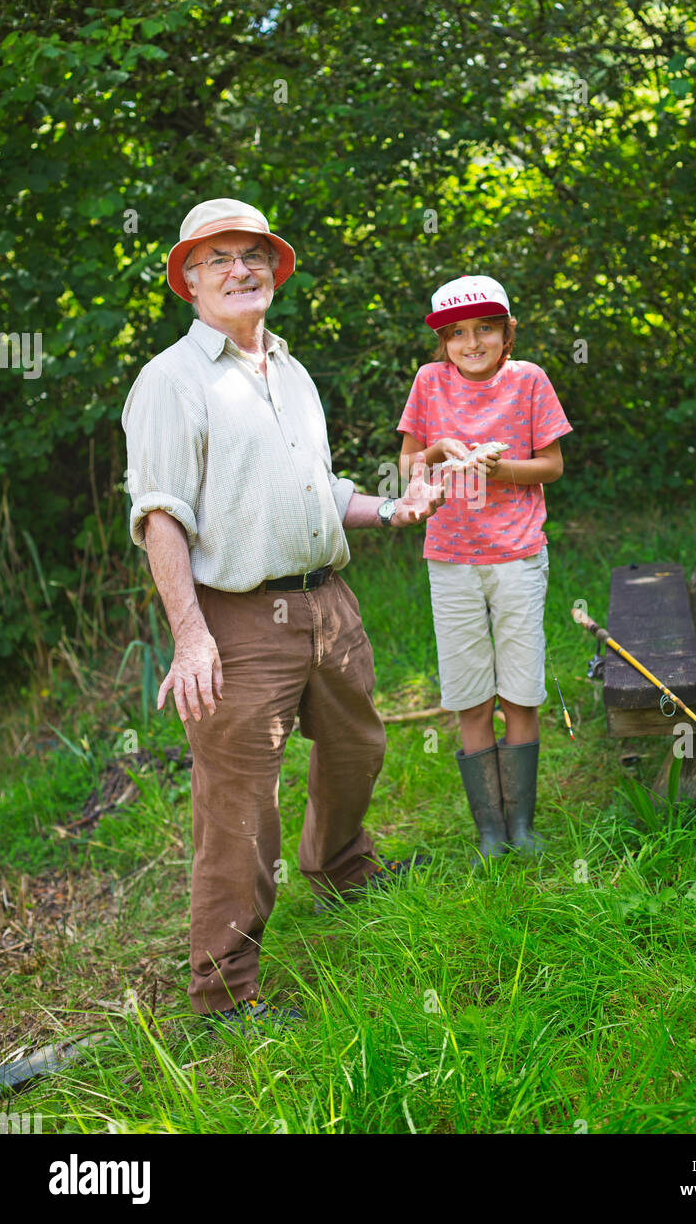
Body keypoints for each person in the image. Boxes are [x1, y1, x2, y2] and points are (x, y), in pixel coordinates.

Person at [122, 198, 446, 1030]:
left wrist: (393, 510)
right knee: (241, 811)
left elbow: (320, 490)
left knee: (358, 747)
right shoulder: (171, 381)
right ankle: (225, 991)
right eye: (219, 257)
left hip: (326, 603)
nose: (241, 269)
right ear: (189, 280)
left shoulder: (291, 371)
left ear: (275, 268)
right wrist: (190, 639)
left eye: (253, 254)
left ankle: (339, 867)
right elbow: (161, 516)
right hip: (235, 617)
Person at [397, 275, 572, 862]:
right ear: (443, 341)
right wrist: (434, 455)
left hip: (518, 555)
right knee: (471, 698)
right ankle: (489, 834)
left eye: (486, 329)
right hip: (452, 560)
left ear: (506, 332)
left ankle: (523, 827)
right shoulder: (429, 382)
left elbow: (551, 466)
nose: (472, 343)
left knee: (520, 694)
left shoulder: (529, 381)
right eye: (458, 334)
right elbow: (407, 463)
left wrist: (501, 472)